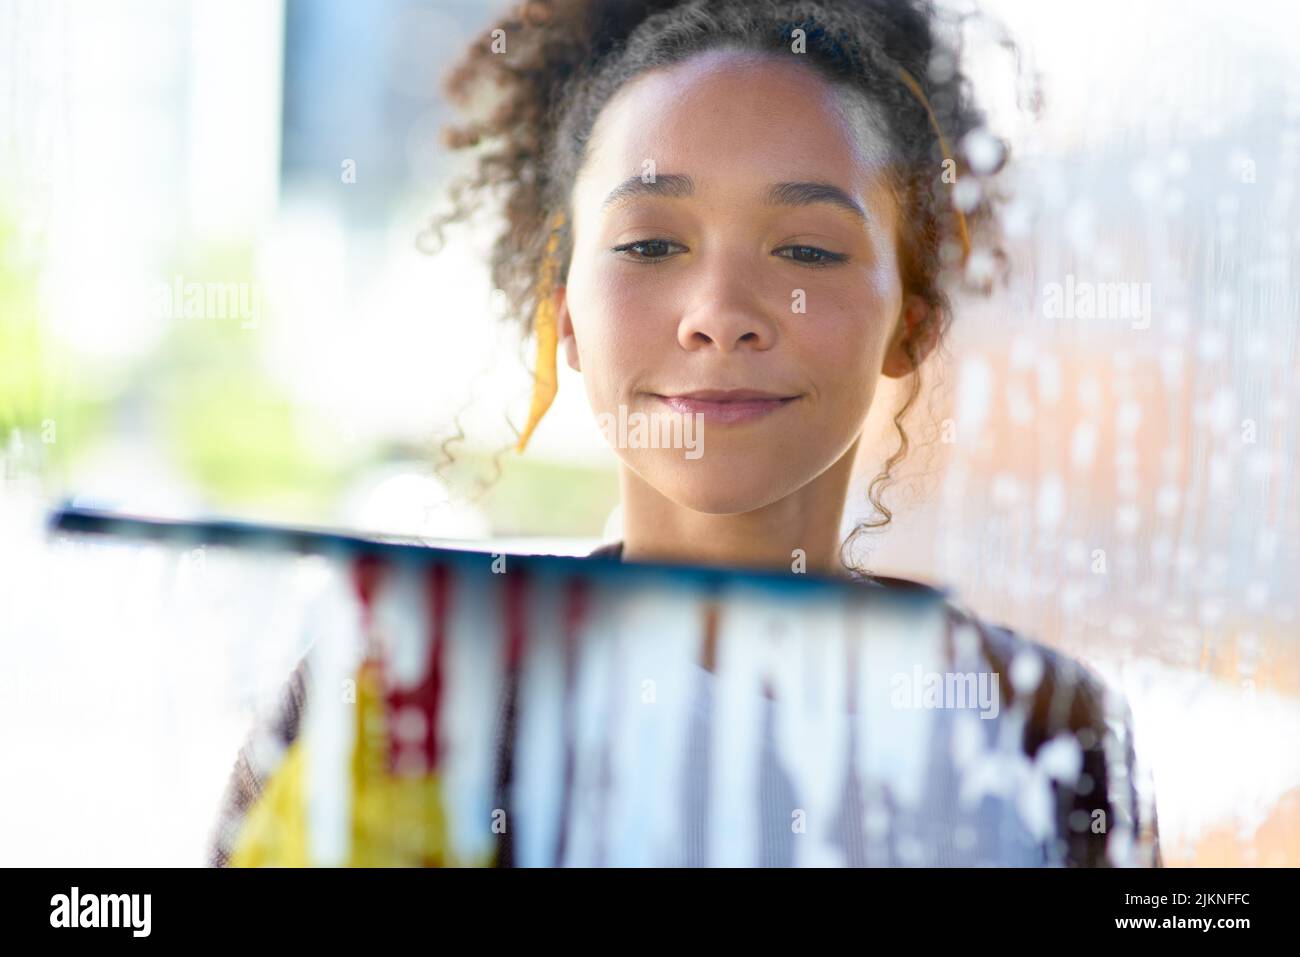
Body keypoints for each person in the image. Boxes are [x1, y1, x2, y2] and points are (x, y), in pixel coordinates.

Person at [209, 0, 1160, 867]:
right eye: (651, 244)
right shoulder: (397, 704)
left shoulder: (1045, 730)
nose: (721, 314)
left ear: (911, 320)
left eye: (808, 249)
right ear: (563, 315)